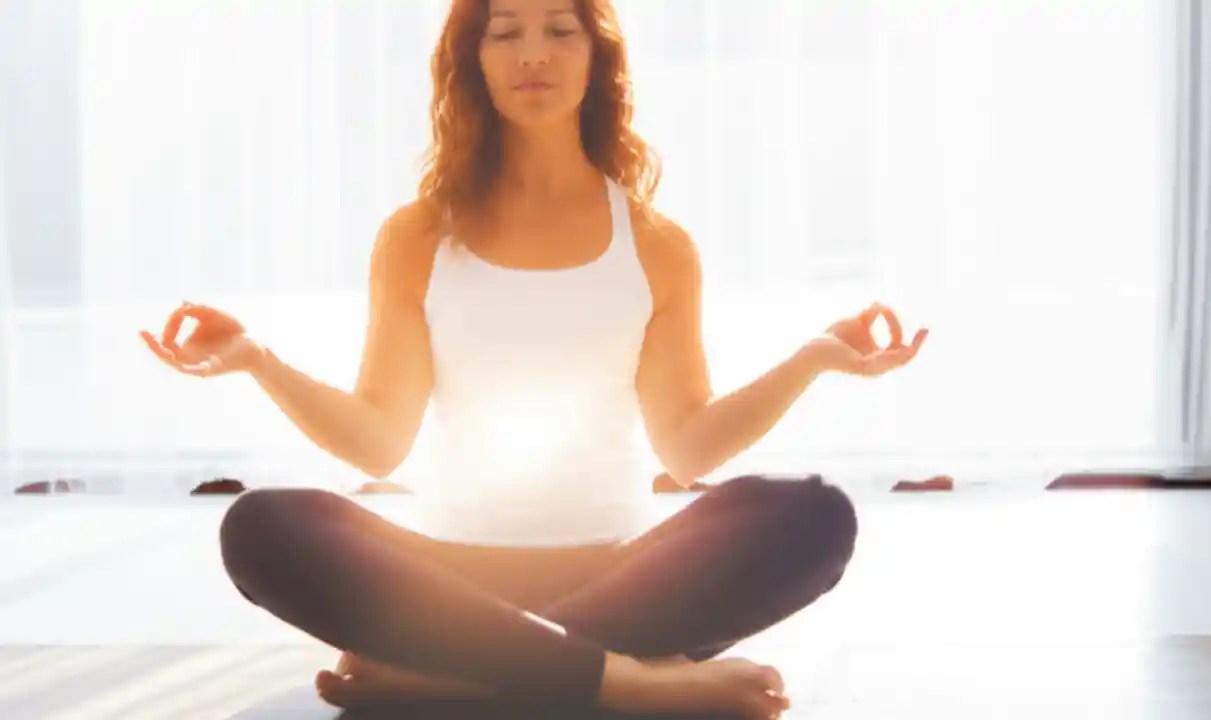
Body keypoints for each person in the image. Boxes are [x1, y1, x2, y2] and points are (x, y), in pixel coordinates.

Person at [139, 0, 928, 717]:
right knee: (263, 526)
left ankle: (459, 676)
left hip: (624, 576)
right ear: (474, 60)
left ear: (597, 56)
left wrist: (812, 360)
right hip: (445, 581)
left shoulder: (657, 244)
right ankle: (622, 682)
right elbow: (378, 441)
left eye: (559, 29)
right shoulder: (417, 235)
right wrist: (260, 361)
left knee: (812, 516)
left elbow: (689, 449)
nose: (534, 54)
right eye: (506, 32)